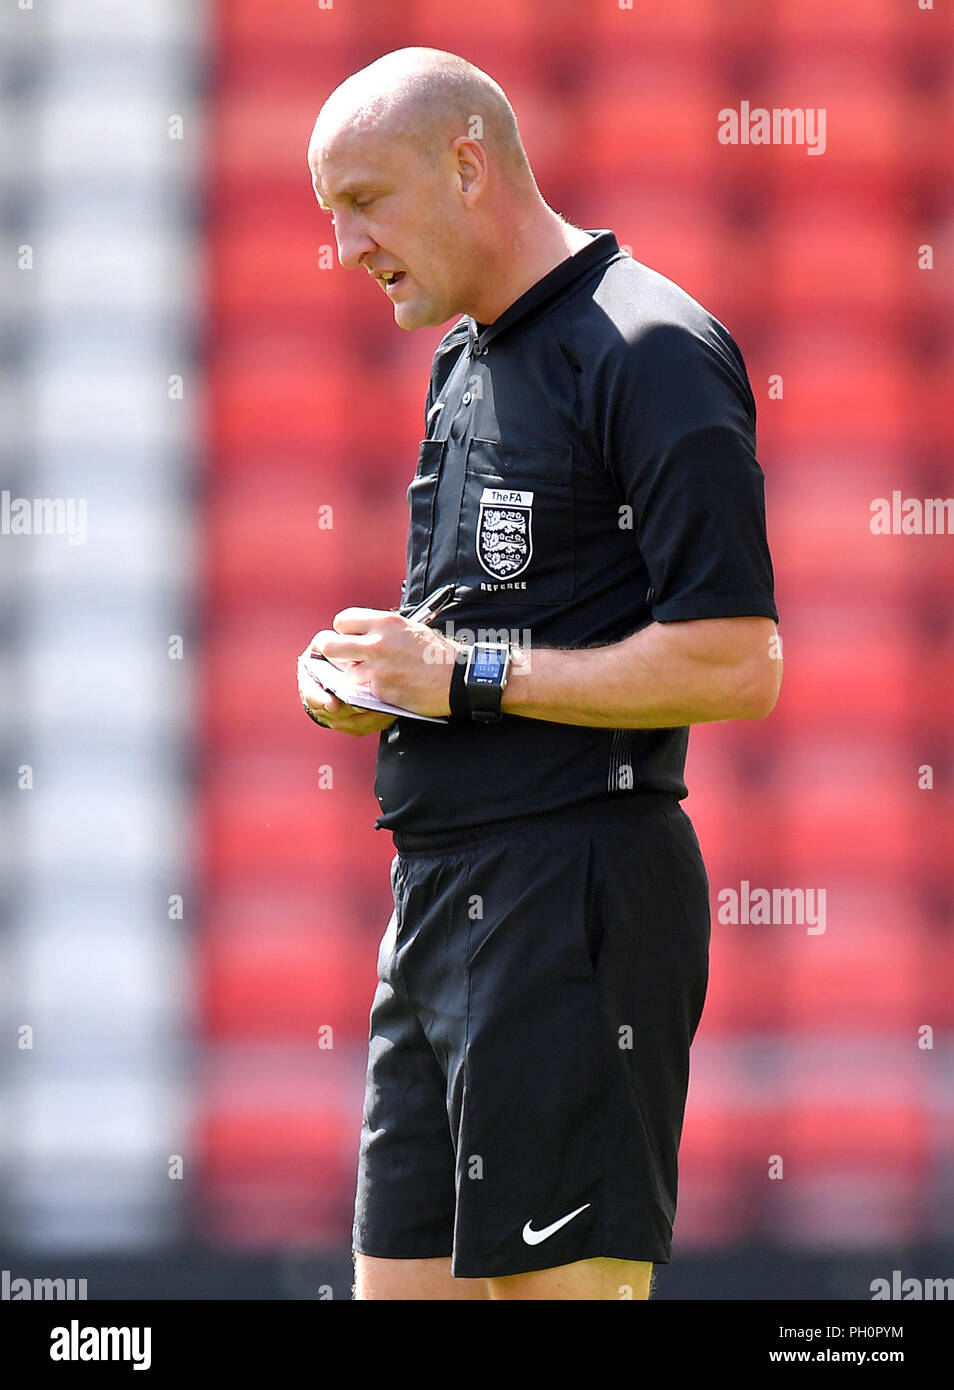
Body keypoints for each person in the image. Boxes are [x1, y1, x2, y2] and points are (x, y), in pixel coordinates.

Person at [300, 47, 781, 1301]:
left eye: (363, 201)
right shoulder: (464, 364)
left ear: (467, 165)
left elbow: (741, 660)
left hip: (576, 900)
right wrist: (371, 678)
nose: (343, 246)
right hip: (437, 902)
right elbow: (466, 632)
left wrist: (459, 678)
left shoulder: (652, 345)